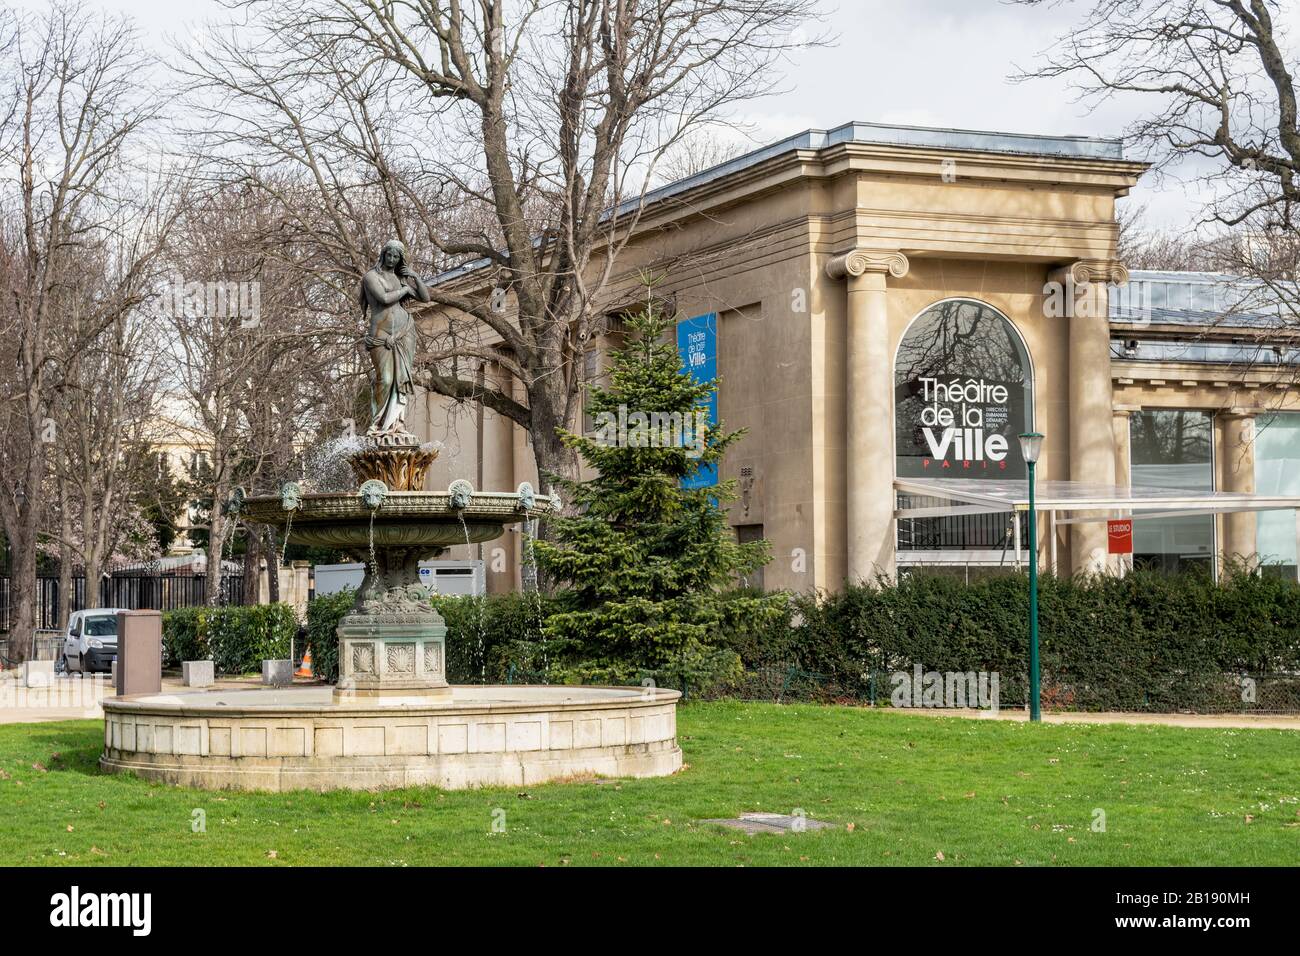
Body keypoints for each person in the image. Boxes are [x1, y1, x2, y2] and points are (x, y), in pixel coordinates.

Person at [360, 240, 430, 441]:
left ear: (401, 259)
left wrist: (414, 277)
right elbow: (383, 298)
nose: (391, 260)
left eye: (396, 257)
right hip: (380, 335)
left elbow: (425, 298)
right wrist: (405, 290)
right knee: (386, 378)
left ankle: (396, 425)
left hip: (404, 332)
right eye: (389, 255)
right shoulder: (371, 277)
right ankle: (379, 426)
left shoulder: (401, 279)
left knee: (399, 381)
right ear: (383, 254)